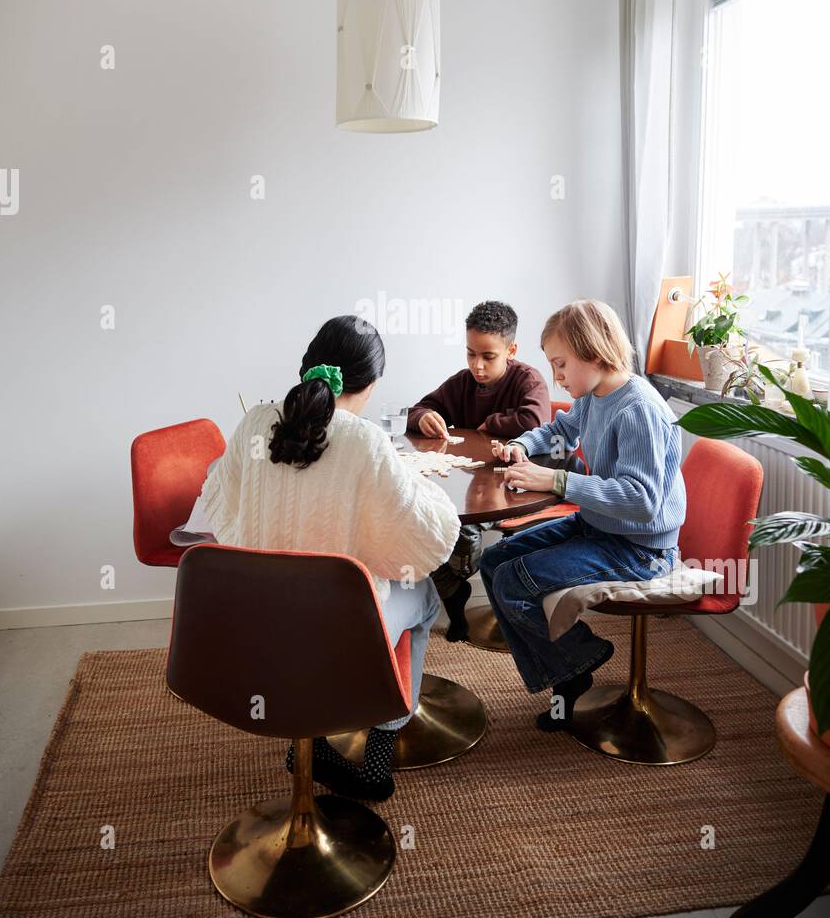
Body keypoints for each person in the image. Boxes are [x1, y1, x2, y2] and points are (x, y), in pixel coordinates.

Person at [194, 315, 460, 800]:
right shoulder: (366, 442)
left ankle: (310, 740)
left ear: (307, 366)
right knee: (421, 592)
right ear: (372, 382)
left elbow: (221, 507)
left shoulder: (255, 421)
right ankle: (379, 757)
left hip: (252, 624)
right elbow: (428, 537)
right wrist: (415, 481)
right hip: (340, 636)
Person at [480, 299, 686, 733]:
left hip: (641, 550)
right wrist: (523, 445)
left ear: (592, 353)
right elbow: (559, 431)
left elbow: (642, 500)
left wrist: (555, 483)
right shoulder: (595, 395)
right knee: (492, 562)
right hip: (599, 528)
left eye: (560, 364)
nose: (555, 376)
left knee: (513, 581)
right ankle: (567, 671)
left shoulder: (639, 411)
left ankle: (578, 661)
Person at [406, 301, 551, 641]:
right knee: (427, 525)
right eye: (470, 354)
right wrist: (422, 417)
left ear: (511, 350)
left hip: (515, 485)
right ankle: (457, 606)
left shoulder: (528, 380)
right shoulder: (462, 382)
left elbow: (536, 421)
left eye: (488, 356)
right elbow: (421, 407)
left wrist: (491, 423)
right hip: (466, 485)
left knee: (456, 539)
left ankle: (464, 576)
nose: (477, 365)